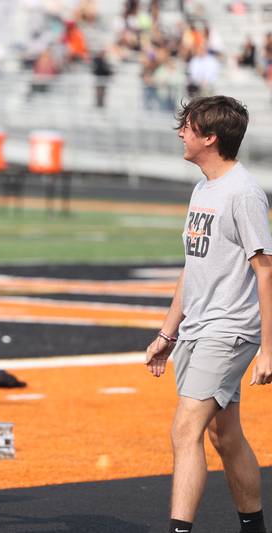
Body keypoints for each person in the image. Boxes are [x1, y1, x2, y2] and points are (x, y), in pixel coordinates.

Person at [145, 95, 272, 533]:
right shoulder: (204, 188)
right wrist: (168, 331)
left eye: (188, 126)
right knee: (225, 435)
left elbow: (265, 270)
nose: (181, 131)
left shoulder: (244, 193)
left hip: (229, 329)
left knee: (185, 429)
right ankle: (253, 527)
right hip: (198, 328)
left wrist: (268, 349)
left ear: (210, 138)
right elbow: (193, 264)